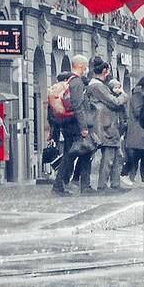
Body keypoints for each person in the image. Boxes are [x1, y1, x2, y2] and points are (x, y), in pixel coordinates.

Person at [52, 54, 96, 195]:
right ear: (82, 67)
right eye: (85, 67)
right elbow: (78, 106)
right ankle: (60, 186)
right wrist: (83, 127)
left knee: (81, 153)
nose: (86, 70)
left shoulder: (69, 80)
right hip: (75, 125)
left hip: (69, 124)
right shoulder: (77, 83)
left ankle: (84, 185)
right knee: (70, 156)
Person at [86, 64, 128, 192]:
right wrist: (123, 95)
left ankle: (115, 184)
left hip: (110, 127)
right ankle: (102, 186)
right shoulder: (97, 87)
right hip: (106, 128)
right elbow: (114, 102)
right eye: (108, 72)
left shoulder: (98, 86)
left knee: (117, 156)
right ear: (104, 71)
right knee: (108, 158)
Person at [122, 83, 144, 186]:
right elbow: (139, 112)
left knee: (143, 155)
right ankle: (126, 174)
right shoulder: (137, 97)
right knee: (135, 156)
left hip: (142, 131)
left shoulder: (141, 97)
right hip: (139, 130)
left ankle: (142, 178)